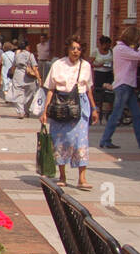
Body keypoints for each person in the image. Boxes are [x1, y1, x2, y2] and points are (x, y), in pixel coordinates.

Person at [40, 35, 99, 190]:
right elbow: (51, 89)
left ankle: (82, 178)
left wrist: (94, 109)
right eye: (73, 48)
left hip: (80, 106)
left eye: (79, 49)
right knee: (60, 141)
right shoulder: (58, 64)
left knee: (81, 141)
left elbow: (88, 89)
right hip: (60, 105)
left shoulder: (85, 66)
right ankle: (62, 176)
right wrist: (45, 111)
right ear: (67, 49)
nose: (75, 51)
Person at [99, 25, 140, 150]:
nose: (137, 41)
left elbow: (138, 59)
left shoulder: (123, 49)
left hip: (129, 85)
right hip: (123, 85)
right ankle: (105, 140)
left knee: (136, 115)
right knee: (116, 114)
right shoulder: (120, 49)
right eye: (136, 38)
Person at [10, 41, 41, 118]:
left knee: (18, 93)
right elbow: (34, 67)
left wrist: (12, 75)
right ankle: (26, 111)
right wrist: (39, 78)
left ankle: (21, 111)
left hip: (18, 75)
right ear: (27, 47)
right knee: (30, 93)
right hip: (29, 77)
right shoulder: (30, 55)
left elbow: (13, 66)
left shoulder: (17, 55)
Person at [91, 35, 114, 117]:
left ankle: (110, 110)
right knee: (99, 92)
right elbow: (91, 63)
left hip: (109, 73)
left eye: (109, 44)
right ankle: (97, 109)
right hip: (99, 73)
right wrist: (99, 65)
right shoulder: (96, 51)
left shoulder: (111, 51)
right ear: (102, 44)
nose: (108, 46)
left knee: (109, 92)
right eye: (106, 44)